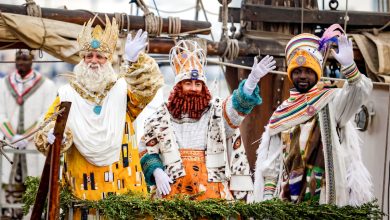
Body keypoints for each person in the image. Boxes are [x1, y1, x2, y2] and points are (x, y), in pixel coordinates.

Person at [34, 16, 163, 217]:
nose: (94, 61)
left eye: (100, 56)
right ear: (82, 59)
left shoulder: (123, 89)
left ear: (108, 59)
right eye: (89, 56)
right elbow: (48, 126)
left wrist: (134, 61)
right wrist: (51, 134)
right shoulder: (67, 93)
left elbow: (146, 90)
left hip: (124, 187)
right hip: (82, 191)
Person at [139, 40, 276, 201]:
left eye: (198, 84)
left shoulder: (215, 112)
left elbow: (234, 110)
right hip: (172, 188)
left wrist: (251, 83)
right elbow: (146, 149)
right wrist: (156, 171)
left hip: (212, 188)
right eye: (188, 83)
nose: (193, 88)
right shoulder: (159, 117)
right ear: (178, 87)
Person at [253, 27, 374, 206]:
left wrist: (350, 67)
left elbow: (359, 93)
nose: (302, 76)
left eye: (308, 71)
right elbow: (271, 164)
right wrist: (268, 201)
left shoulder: (331, 101)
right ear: (291, 74)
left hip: (326, 199)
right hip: (288, 202)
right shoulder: (281, 113)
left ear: (317, 74)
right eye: (297, 71)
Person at [0, 49, 56, 218]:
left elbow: (46, 115)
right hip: (10, 147)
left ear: (33, 60)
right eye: (18, 58)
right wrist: (12, 137)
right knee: (9, 188)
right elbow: (0, 112)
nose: (21, 62)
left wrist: (26, 137)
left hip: (33, 147)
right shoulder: (3, 84)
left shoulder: (47, 85)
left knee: (34, 186)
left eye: (25, 59)